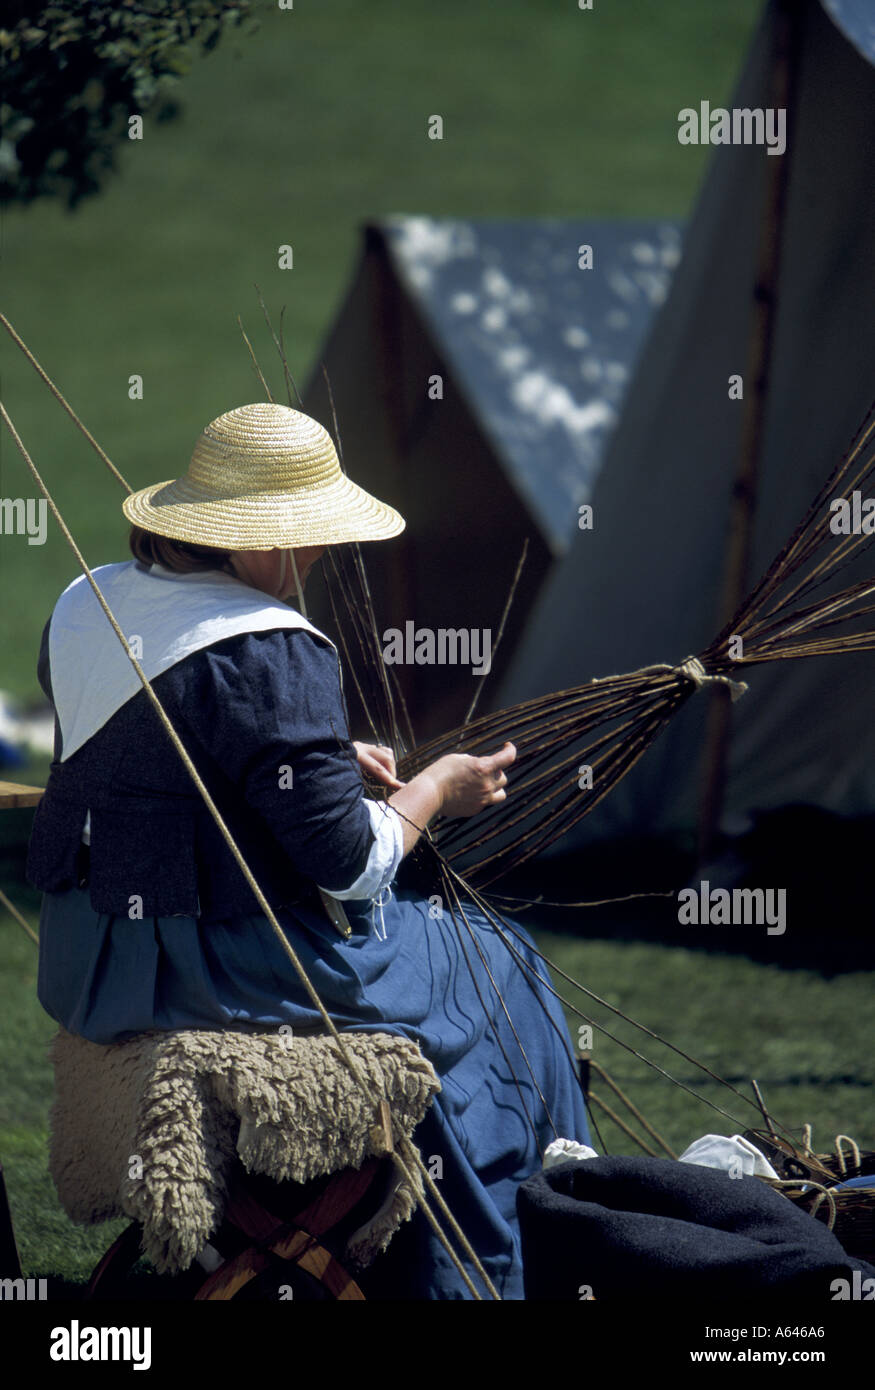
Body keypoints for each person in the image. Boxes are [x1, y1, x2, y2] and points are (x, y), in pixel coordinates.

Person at [26, 401, 591, 1299]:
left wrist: (318, 765)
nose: (324, 552)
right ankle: (503, 1255)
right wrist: (434, 789)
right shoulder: (274, 651)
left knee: (472, 962)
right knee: (497, 964)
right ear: (254, 539)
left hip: (89, 955)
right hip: (219, 965)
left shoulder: (82, 602)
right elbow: (355, 867)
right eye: (310, 533)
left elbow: (159, 760)